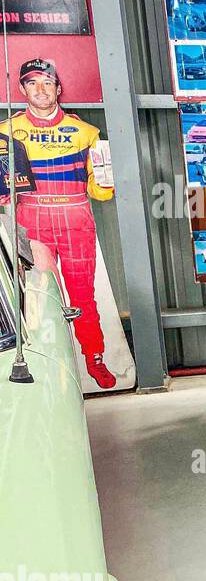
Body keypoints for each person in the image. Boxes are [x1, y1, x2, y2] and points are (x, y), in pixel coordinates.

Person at [0, 58, 116, 388]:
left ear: (58, 88)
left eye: (47, 83)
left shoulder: (87, 133)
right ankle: (44, 363)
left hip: (76, 218)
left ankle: (94, 358)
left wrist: (105, 184)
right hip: (31, 221)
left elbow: (100, 191)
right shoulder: (6, 132)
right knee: (37, 296)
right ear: (22, 89)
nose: (40, 89)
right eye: (33, 83)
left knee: (82, 298)